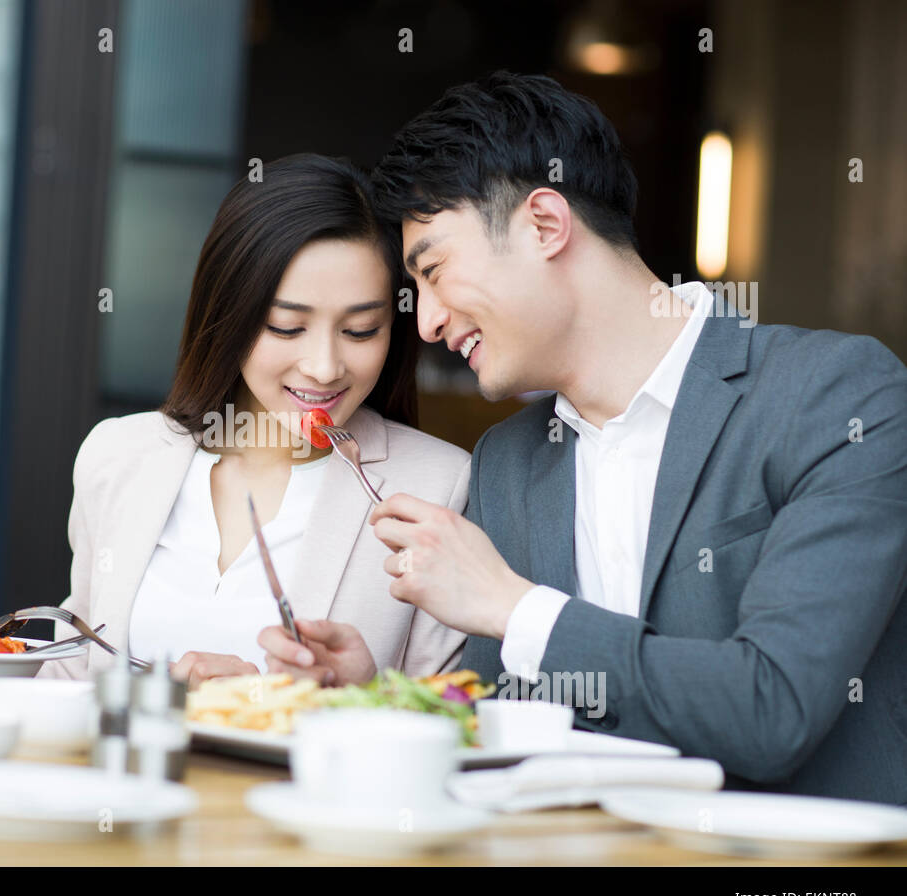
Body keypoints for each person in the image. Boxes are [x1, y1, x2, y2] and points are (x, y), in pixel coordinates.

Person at [261, 73, 907, 805]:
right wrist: (374, 698)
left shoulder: (837, 396)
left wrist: (514, 605)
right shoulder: (506, 463)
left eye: (435, 272)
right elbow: (513, 724)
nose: (429, 323)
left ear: (544, 223)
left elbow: (774, 710)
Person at [47, 154, 471, 687]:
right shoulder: (119, 456)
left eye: (361, 330)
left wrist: (332, 700)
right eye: (286, 327)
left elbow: (450, 717)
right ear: (227, 315)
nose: (324, 367)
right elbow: (73, 668)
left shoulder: (438, 486)